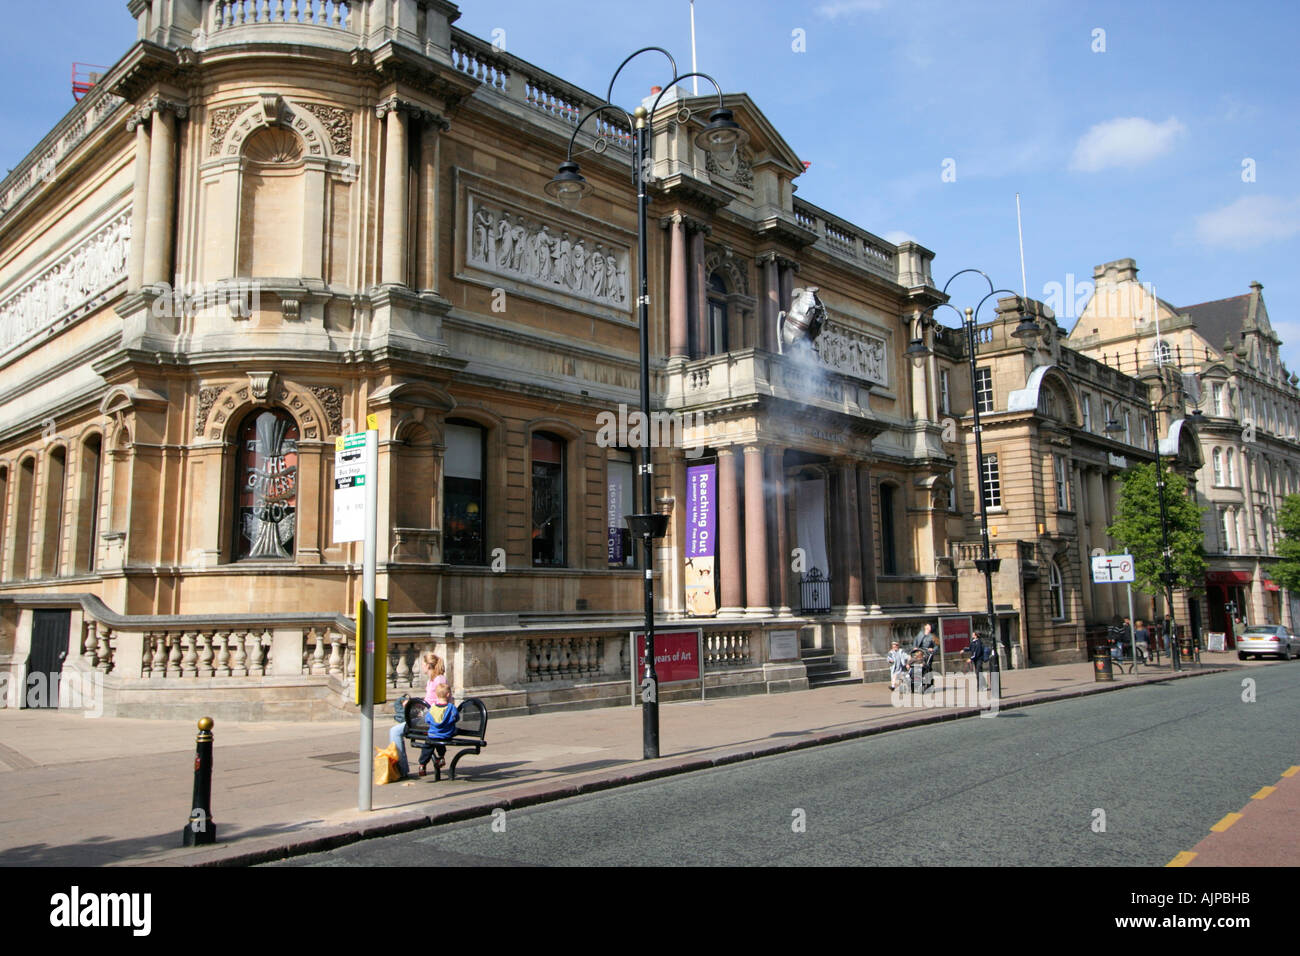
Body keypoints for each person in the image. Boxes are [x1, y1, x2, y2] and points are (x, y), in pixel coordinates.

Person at [389, 652, 448, 779]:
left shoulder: (439, 680)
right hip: (426, 716)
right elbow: (430, 700)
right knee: (400, 711)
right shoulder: (432, 680)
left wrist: (417, 707)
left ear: (428, 665)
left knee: (395, 731)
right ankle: (401, 768)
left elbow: (441, 703)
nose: (421, 666)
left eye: (423, 664)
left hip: (431, 720)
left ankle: (402, 769)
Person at [418, 681, 461, 777]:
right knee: (441, 744)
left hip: (433, 735)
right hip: (446, 734)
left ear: (437, 695)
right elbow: (456, 718)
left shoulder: (432, 708)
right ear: (448, 694)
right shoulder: (451, 708)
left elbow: (427, 720)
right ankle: (441, 757)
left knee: (427, 747)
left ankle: (422, 764)